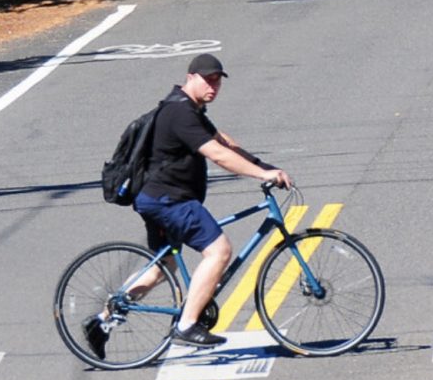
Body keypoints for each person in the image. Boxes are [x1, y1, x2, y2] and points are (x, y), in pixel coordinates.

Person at [91, 52, 288, 355]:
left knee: (162, 268)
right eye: (207, 80)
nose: (213, 86)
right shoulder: (179, 113)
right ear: (190, 77)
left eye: (217, 81)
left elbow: (225, 143)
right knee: (219, 251)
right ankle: (186, 325)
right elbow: (218, 155)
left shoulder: (189, 109)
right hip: (169, 200)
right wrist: (262, 175)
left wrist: (265, 166)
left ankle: (101, 321)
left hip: (156, 199)